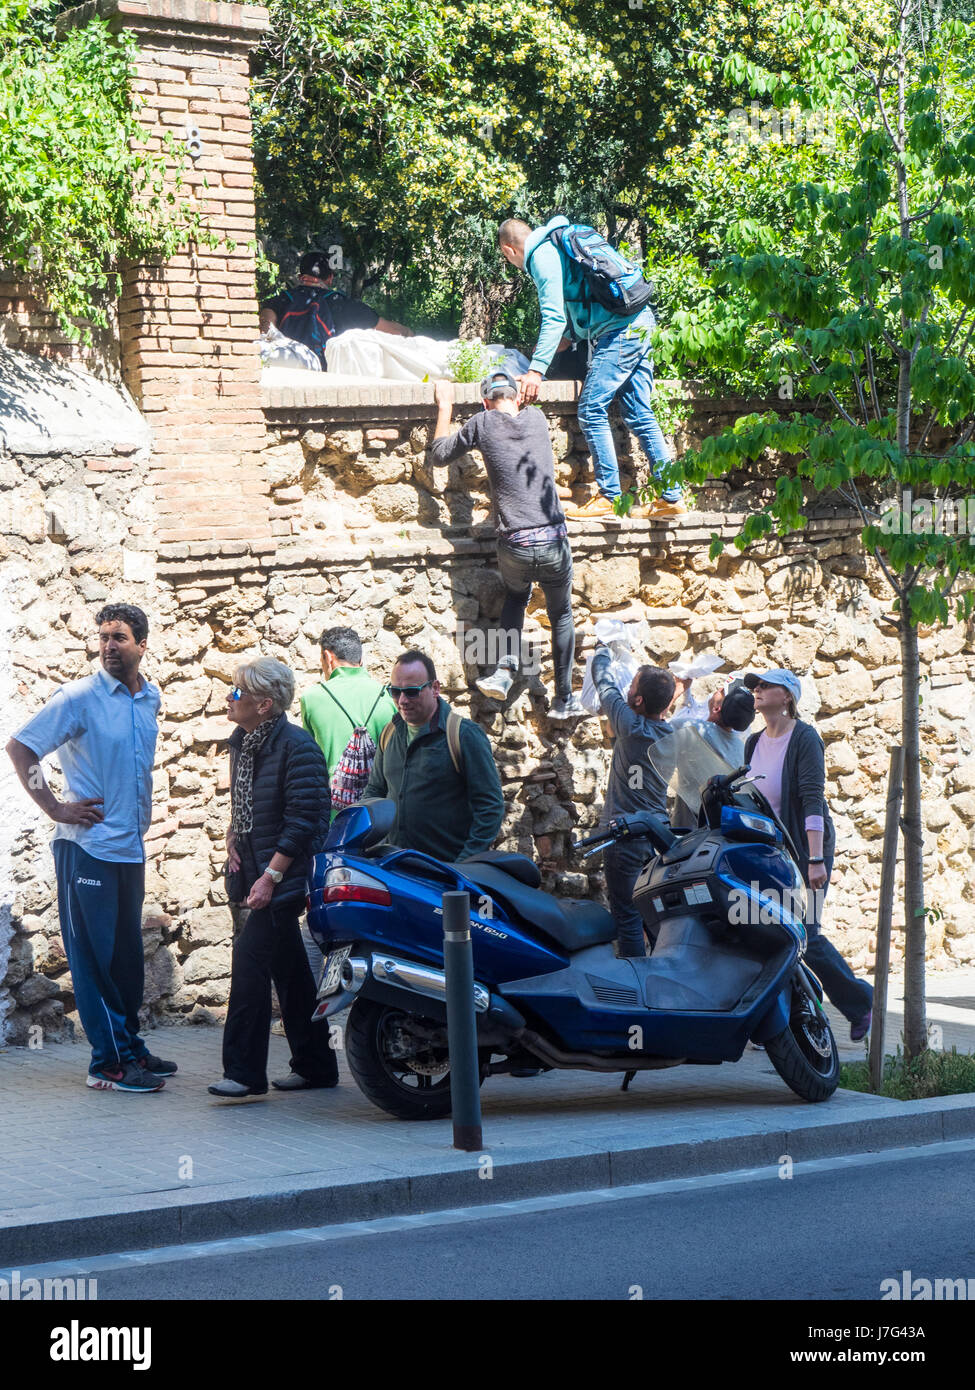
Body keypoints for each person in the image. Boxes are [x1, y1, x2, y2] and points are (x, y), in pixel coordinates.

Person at [6, 604, 172, 1093]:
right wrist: (55, 807)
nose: (108, 646)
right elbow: (21, 747)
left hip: (129, 850)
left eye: (119, 637)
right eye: (102, 637)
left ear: (141, 644)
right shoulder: (79, 697)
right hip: (88, 849)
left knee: (125, 960)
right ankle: (110, 1064)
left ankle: (129, 1046)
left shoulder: (149, 698)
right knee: (94, 959)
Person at [497, 216, 686, 523]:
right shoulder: (558, 247)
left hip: (620, 332)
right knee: (639, 412)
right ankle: (672, 498)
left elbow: (555, 318)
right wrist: (542, 352)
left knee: (591, 408)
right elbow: (575, 321)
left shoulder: (541, 256)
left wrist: (535, 372)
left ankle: (610, 498)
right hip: (641, 321)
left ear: (508, 250)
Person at [209, 658, 337, 1098]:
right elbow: (248, 808)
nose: (229, 697)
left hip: (282, 876)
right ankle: (316, 1064)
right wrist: (232, 840)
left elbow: (303, 821)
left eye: (238, 693)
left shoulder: (296, 747)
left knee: (249, 964)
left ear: (264, 705)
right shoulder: (243, 743)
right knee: (291, 969)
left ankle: (243, 1074)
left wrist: (270, 877)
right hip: (253, 870)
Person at [428, 372, 585, 721]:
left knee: (516, 597)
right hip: (553, 540)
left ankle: (503, 671)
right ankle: (564, 699)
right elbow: (521, 403)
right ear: (517, 398)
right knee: (561, 614)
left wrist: (445, 405)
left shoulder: (482, 423)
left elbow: (439, 455)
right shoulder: (538, 417)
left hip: (514, 543)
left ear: (485, 402)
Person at [742, 668, 873, 1041]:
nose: (758, 690)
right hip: (772, 852)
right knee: (766, 931)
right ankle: (783, 1018)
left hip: (807, 848)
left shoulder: (805, 738)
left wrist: (815, 860)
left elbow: (812, 800)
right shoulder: (753, 743)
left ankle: (860, 1002)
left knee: (806, 934)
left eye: (766, 686)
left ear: (787, 697)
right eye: (756, 686)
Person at [363, 650, 504, 863]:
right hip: (394, 869)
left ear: (435, 688)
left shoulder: (463, 736)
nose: (402, 700)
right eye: (395, 691)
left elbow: (490, 807)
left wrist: (464, 865)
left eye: (411, 691)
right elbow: (374, 791)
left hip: (444, 873)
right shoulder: (389, 733)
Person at [591, 647, 676, 957]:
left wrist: (603, 650)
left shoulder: (631, 727)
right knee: (655, 914)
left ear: (638, 701)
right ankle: (664, 972)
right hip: (658, 836)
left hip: (625, 837)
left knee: (627, 915)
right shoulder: (671, 734)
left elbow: (606, 686)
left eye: (633, 686)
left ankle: (637, 982)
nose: (628, 688)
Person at [300, 626, 396, 817]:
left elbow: (310, 760)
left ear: (328, 657)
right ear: (360, 660)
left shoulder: (311, 698)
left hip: (333, 816)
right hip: (380, 813)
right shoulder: (387, 696)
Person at [259, 250, 413, 369]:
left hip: (287, 372)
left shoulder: (279, 301)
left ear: (301, 277)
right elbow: (392, 331)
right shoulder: (342, 304)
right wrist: (408, 333)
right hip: (328, 377)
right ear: (330, 278)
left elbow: (266, 330)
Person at [670, 679, 755, 829]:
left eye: (721, 693)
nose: (717, 691)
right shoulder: (740, 748)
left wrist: (678, 690)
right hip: (719, 827)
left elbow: (657, 727)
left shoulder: (693, 729)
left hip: (688, 827)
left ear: (717, 709)